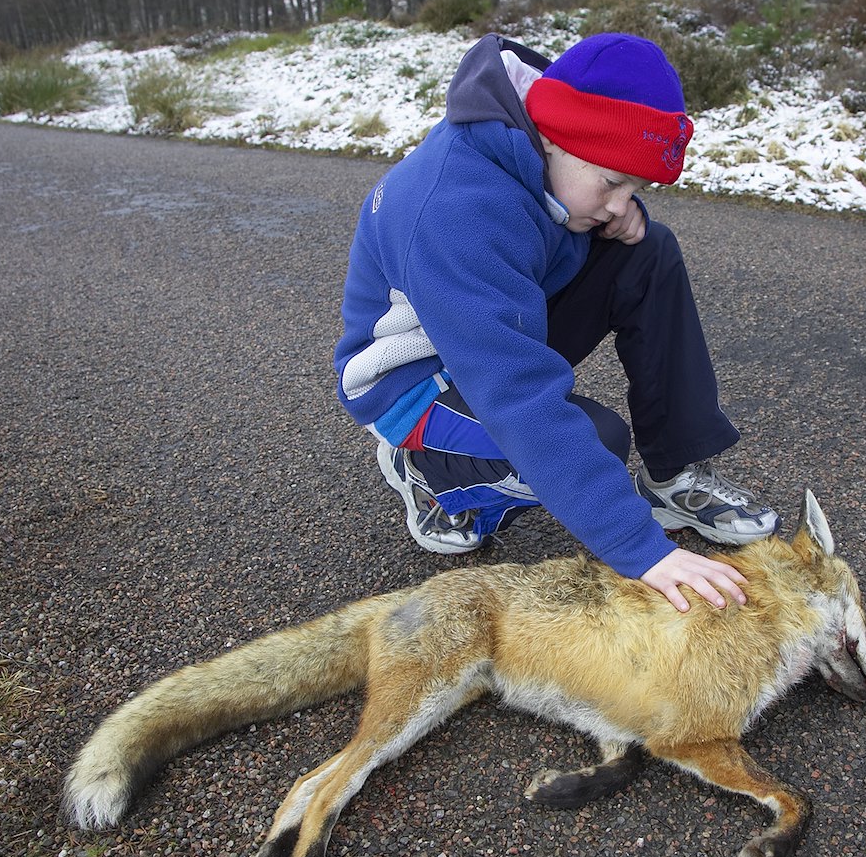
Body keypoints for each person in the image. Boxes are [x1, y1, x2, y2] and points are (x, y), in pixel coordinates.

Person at [332, 30, 779, 612]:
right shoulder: (457, 209)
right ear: (554, 139)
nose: (621, 201)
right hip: (414, 380)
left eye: (636, 186)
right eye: (613, 183)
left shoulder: (543, 156)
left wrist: (612, 214)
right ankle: (430, 472)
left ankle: (675, 477)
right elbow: (518, 395)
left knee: (648, 252)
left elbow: (562, 213)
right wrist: (640, 548)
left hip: (485, 333)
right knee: (596, 440)